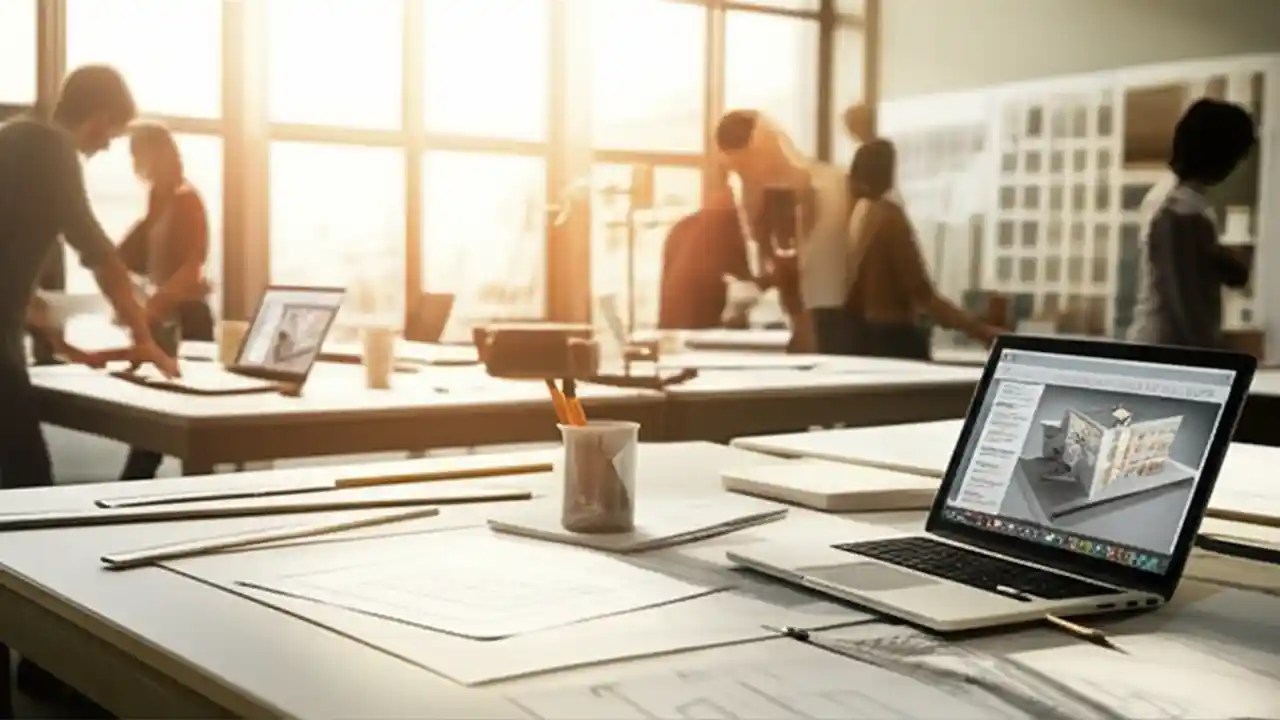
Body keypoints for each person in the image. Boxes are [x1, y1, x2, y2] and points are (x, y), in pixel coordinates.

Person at [0, 65, 178, 492]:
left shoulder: (12, 136)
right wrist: (144, 339)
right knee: (31, 491)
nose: (105, 146)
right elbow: (100, 256)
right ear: (100, 118)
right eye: (112, 135)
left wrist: (67, 347)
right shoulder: (52, 149)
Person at [117, 122, 214, 480]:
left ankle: (131, 489)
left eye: (139, 153)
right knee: (154, 420)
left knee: (185, 419)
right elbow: (136, 252)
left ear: (159, 153)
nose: (136, 163)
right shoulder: (158, 198)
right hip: (163, 316)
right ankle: (131, 488)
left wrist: (156, 304)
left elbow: (193, 265)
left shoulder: (187, 199)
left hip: (188, 317)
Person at [844, 139, 1000, 359]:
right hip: (895, 340)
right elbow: (922, 294)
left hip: (868, 340)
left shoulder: (861, 219)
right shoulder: (890, 219)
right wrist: (980, 331)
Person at [715, 110, 850, 354]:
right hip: (806, 316)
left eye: (744, 164)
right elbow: (773, 266)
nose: (742, 174)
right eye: (737, 168)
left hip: (833, 315)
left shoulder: (831, 187)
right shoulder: (761, 199)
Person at [1126, 99, 1255, 350]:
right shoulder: (1181, 210)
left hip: (1159, 344)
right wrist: (1214, 357)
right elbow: (1187, 305)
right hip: (1169, 349)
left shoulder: (1172, 198)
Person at [657, 184, 754, 329]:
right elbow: (748, 282)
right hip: (703, 330)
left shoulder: (683, 227)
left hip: (675, 328)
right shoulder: (726, 226)